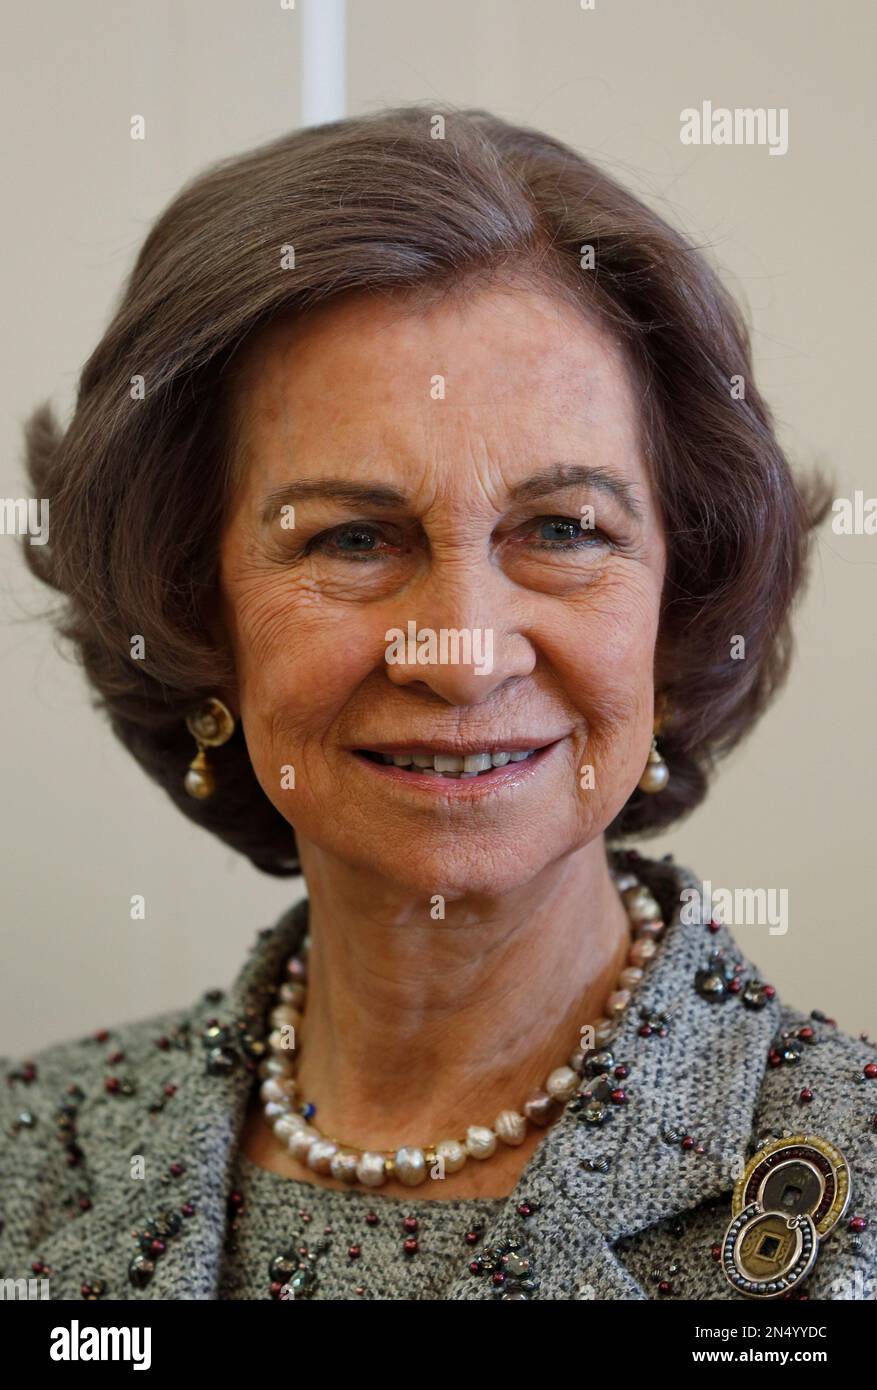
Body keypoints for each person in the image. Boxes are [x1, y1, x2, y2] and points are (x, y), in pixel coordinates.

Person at [3, 105, 874, 1301]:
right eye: (352, 537)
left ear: (676, 613)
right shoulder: (30, 1156)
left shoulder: (846, 1184)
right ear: (197, 620)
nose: (460, 653)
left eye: (563, 530)